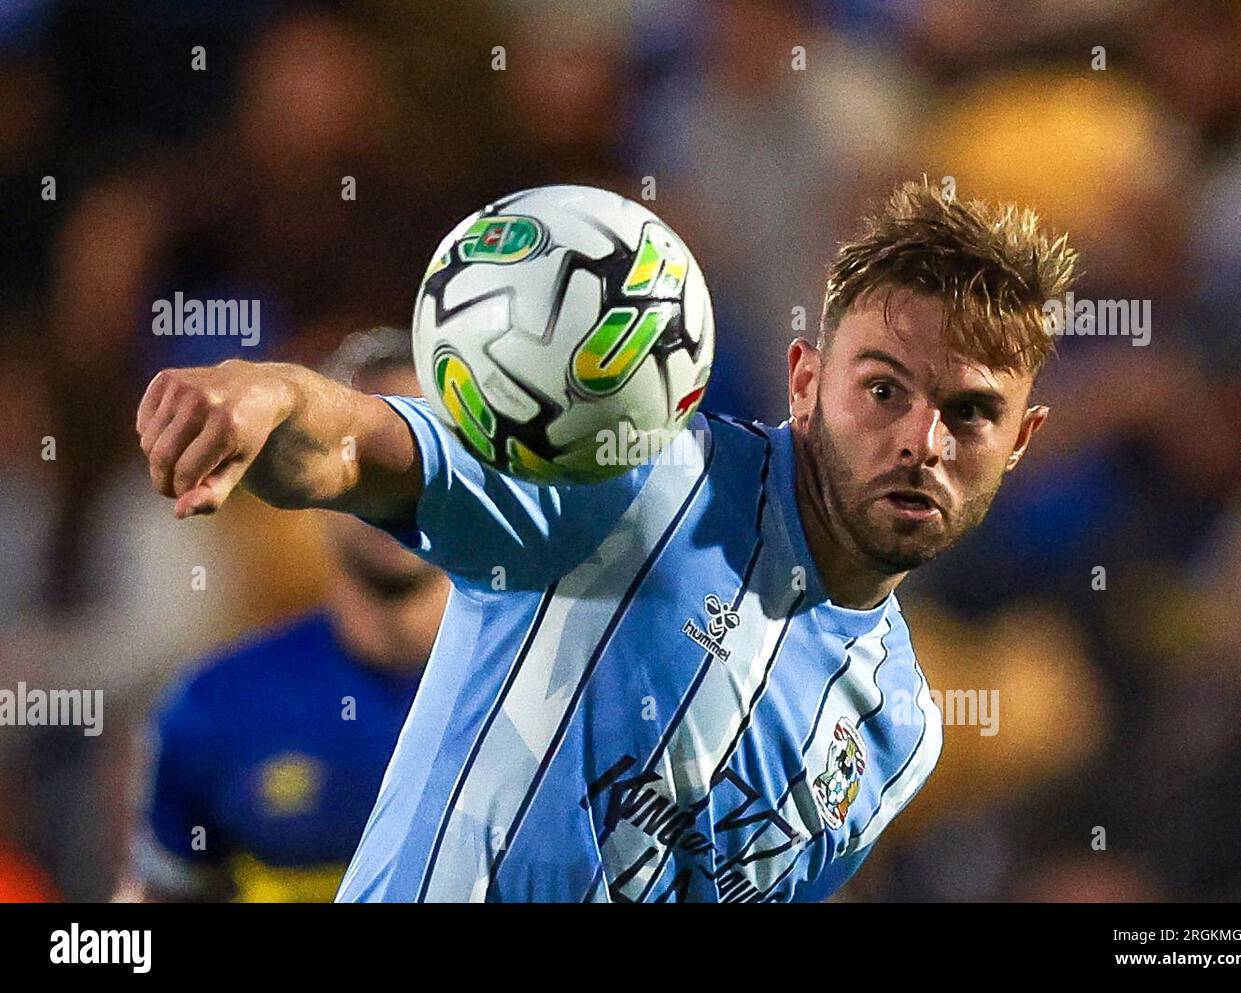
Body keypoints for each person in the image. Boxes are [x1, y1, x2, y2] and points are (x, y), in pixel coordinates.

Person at [133, 179, 1077, 902]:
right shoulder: (636, 479)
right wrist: (269, 396)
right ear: (803, 381)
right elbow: (370, 446)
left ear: (1022, 440)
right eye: (883, 389)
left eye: (971, 411)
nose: (923, 439)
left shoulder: (898, 731)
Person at [126, 330, 449, 901]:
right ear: (311, 480)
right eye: (368, 466)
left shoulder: (555, 693)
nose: (392, 495)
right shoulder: (215, 708)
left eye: (414, 463)